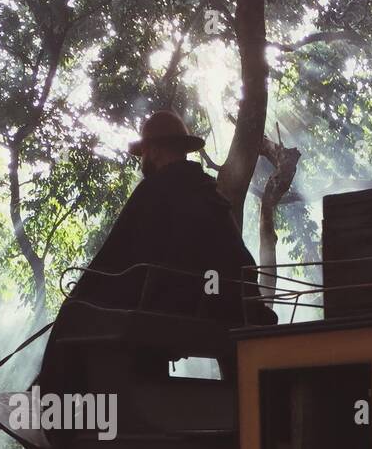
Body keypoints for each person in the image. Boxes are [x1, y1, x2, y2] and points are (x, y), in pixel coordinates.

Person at [68, 110, 277, 326]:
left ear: (155, 151)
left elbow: (119, 258)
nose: (143, 159)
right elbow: (235, 259)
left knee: (77, 315)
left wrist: (82, 298)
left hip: (177, 308)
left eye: (145, 151)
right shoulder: (209, 192)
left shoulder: (153, 191)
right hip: (230, 304)